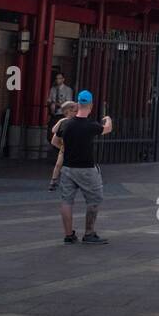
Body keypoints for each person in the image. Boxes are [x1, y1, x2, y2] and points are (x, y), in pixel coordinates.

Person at [52, 89, 113, 245]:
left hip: (67, 168)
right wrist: (108, 119)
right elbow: (107, 129)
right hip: (86, 168)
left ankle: (68, 235)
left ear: (78, 104)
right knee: (94, 199)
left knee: (66, 201)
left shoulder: (66, 123)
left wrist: (64, 149)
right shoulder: (91, 125)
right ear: (91, 105)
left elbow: (55, 141)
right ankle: (89, 233)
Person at [47, 100, 77, 191]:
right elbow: (54, 130)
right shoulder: (63, 121)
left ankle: (73, 182)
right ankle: (53, 181)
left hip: (74, 148)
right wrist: (61, 122)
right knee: (58, 164)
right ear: (68, 112)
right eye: (75, 111)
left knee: (73, 166)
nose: (76, 113)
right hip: (64, 147)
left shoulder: (76, 121)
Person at [46, 71, 73, 142]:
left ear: (63, 79)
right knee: (51, 131)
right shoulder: (53, 89)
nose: (58, 80)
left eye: (60, 78)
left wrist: (56, 103)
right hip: (53, 114)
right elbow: (49, 100)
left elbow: (68, 103)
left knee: (60, 131)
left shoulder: (68, 90)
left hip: (62, 114)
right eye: (57, 78)